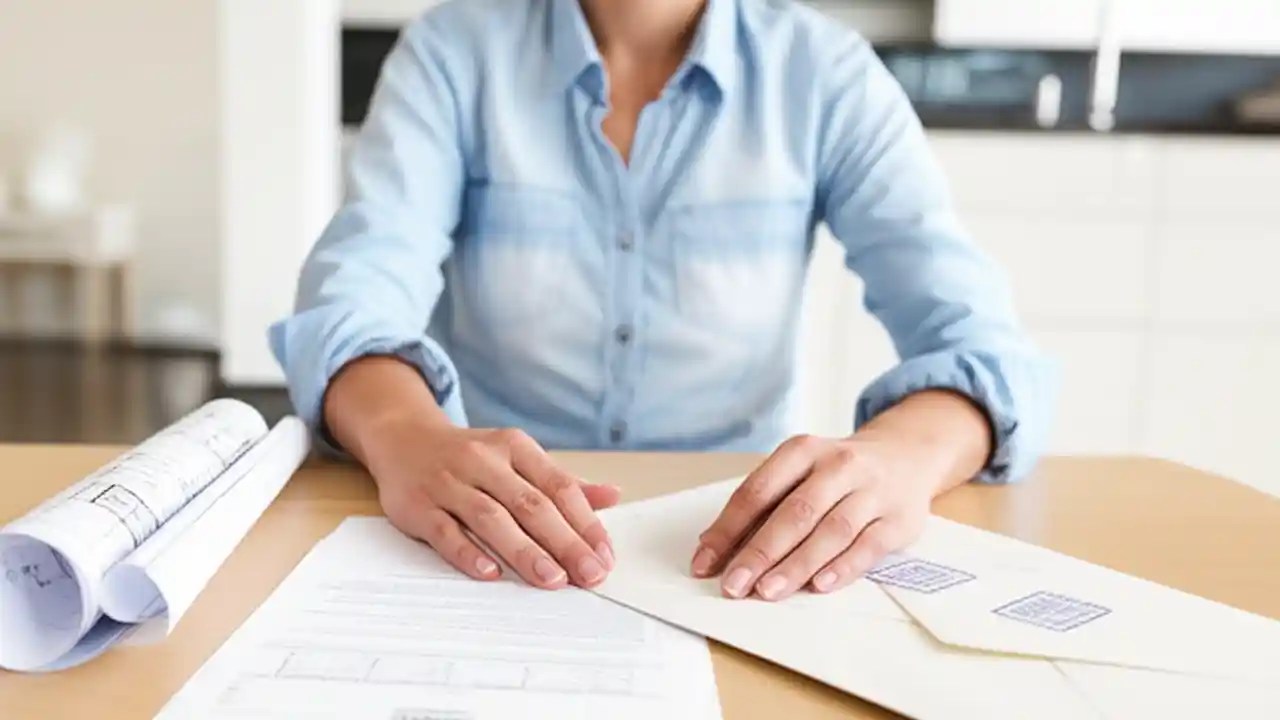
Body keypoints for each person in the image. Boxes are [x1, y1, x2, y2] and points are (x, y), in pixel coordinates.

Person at [271, 0, 1056, 603]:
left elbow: (984, 351)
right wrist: (408, 434)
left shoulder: (825, 75)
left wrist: (898, 460)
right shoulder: (455, 51)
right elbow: (352, 298)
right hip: (491, 547)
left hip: (727, 556)